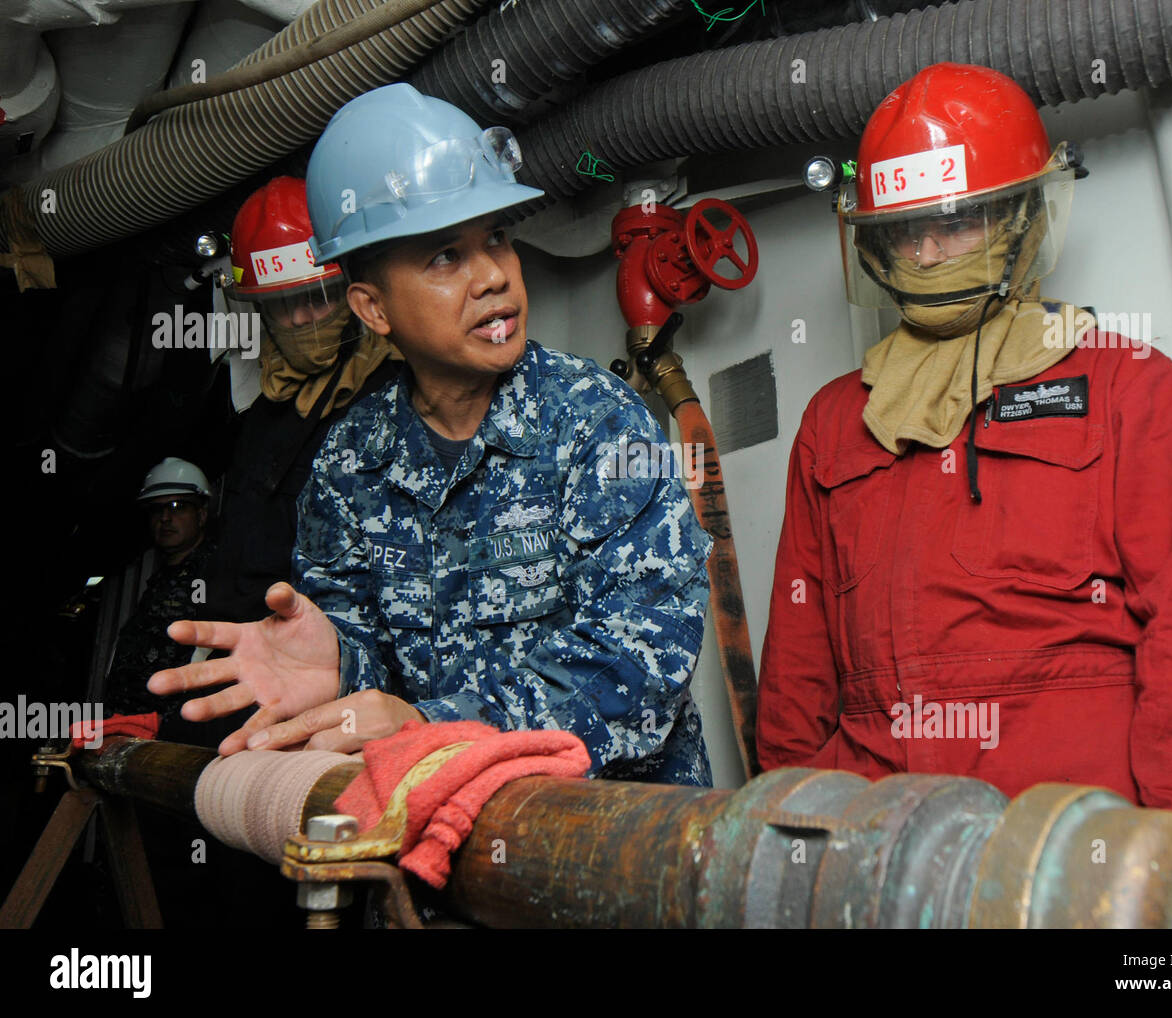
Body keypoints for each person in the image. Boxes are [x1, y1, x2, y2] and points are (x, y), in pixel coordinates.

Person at [757, 63, 1172, 891]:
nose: (927, 253)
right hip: (880, 856)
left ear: (1022, 218)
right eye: (907, 231)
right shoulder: (833, 425)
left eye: (958, 222)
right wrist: (786, 846)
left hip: (1072, 855)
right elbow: (797, 677)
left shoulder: (1131, 392)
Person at [150, 84, 714, 784]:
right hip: (435, 868)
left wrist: (431, 728)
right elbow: (372, 674)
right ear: (373, 307)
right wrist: (339, 661)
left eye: (498, 239)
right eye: (445, 256)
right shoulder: (351, 465)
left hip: (606, 854)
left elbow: (644, 664)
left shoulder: (595, 421)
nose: (494, 277)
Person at [205, 176, 401, 623]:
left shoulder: (398, 399)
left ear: (351, 288)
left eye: (313, 298)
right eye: (279, 304)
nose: (297, 319)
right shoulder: (262, 409)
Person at [103, 457, 223, 743]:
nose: (165, 518)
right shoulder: (161, 578)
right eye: (156, 510)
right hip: (129, 725)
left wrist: (173, 729)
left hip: (169, 734)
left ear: (202, 514)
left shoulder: (214, 573)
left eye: (177, 507)